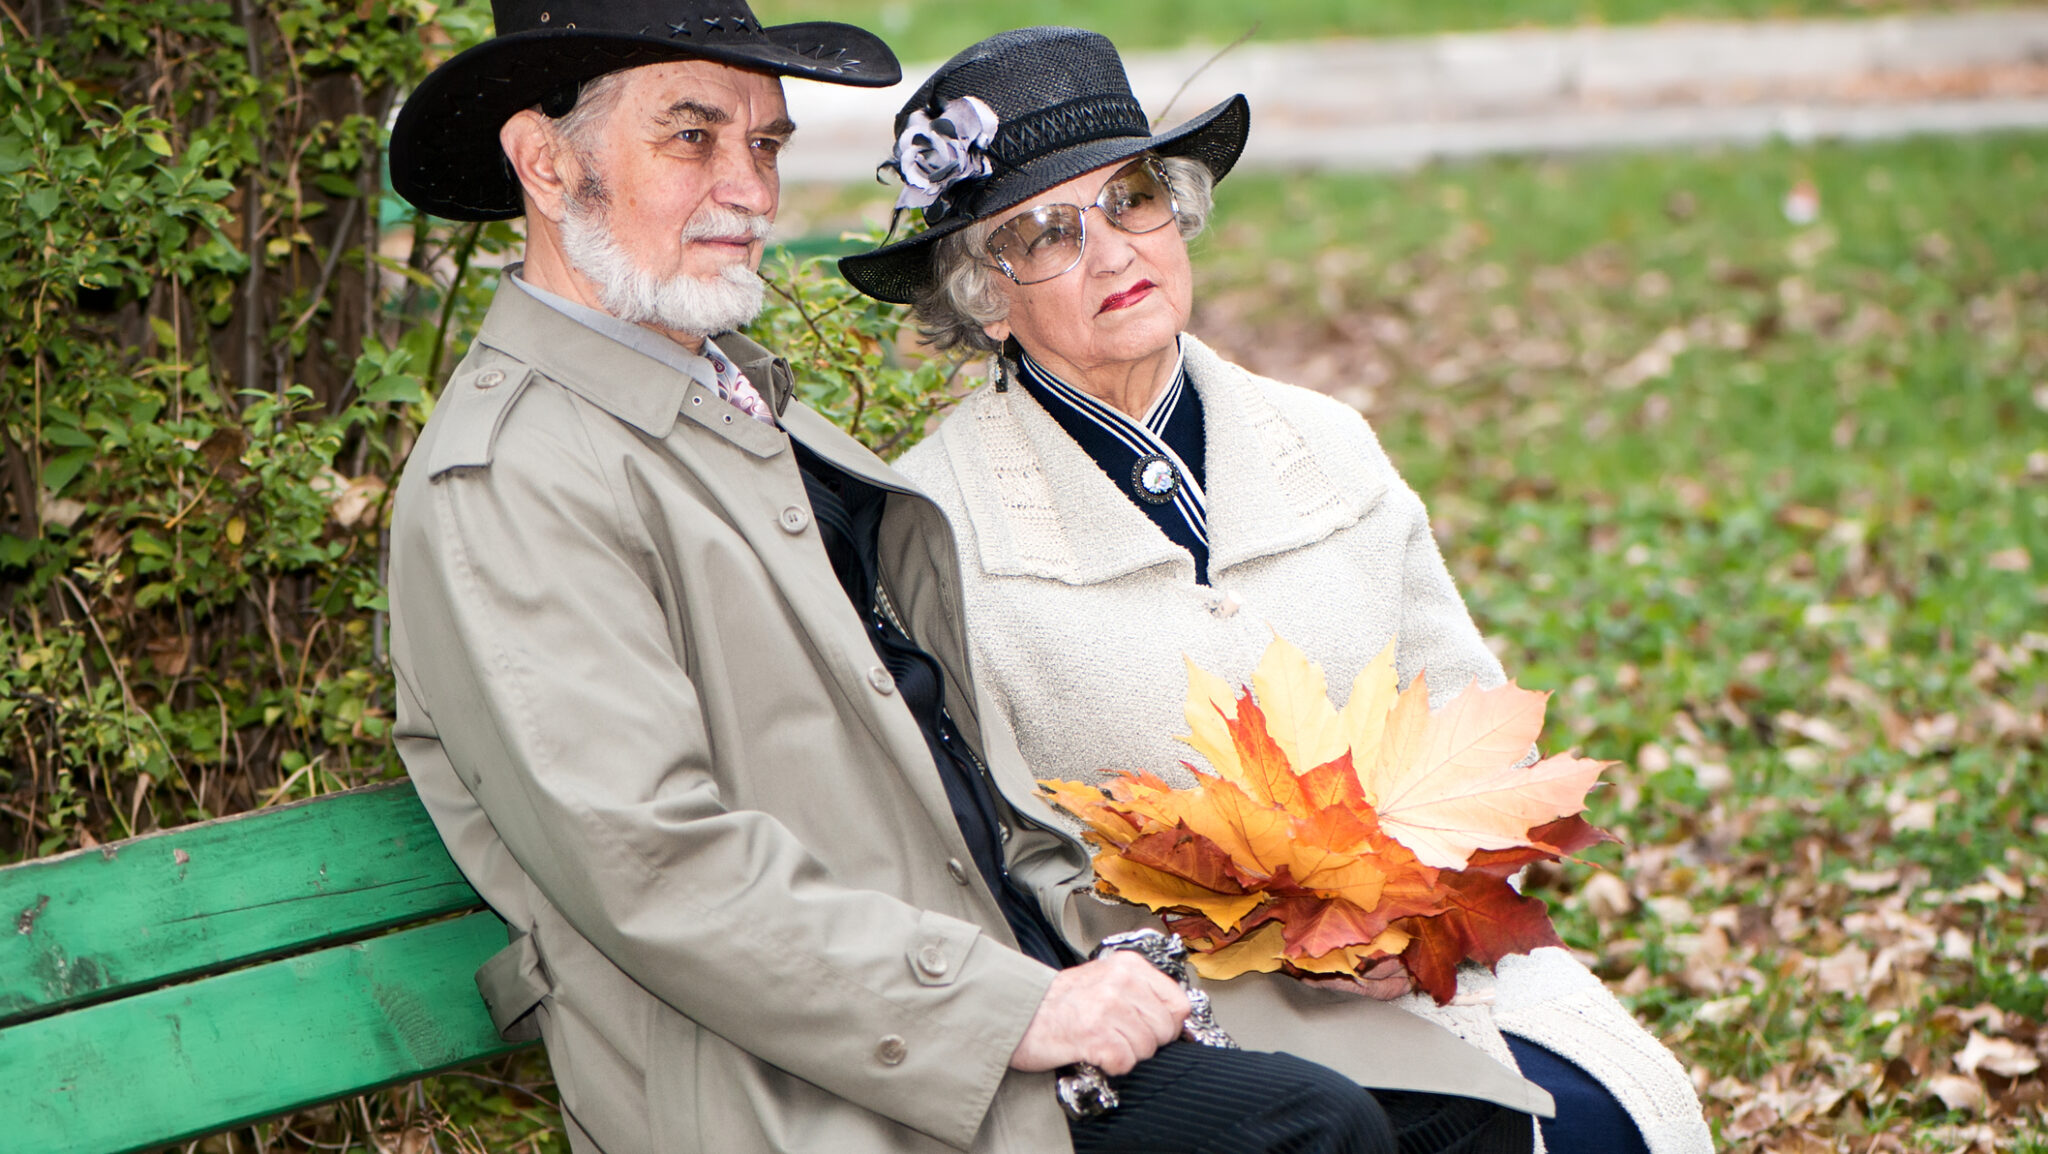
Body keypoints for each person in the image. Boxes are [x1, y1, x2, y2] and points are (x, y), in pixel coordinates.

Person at [386, 4, 1550, 1152]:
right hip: (798, 1082)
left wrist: (1119, 949)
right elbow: (656, 866)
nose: (747, 191)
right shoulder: (512, 478)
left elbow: (949, 777)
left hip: (989, 983)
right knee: (1310, 1131)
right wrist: (1019, 1006)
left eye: (765, 143)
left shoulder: (722, 406)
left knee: (1466, 1117)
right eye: (690, 137)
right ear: (544, 161)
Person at [842, 26, 1716, 1154]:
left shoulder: (1325, 439)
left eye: (1132, 198)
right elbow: (979, 861)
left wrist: (1424, 909)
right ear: (983, 298)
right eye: (1045, 233)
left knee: (1608, 1118)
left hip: (1420, 959)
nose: (1111, 252)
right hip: (1174, 1012)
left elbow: (1467, 716)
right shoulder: (935, 522)